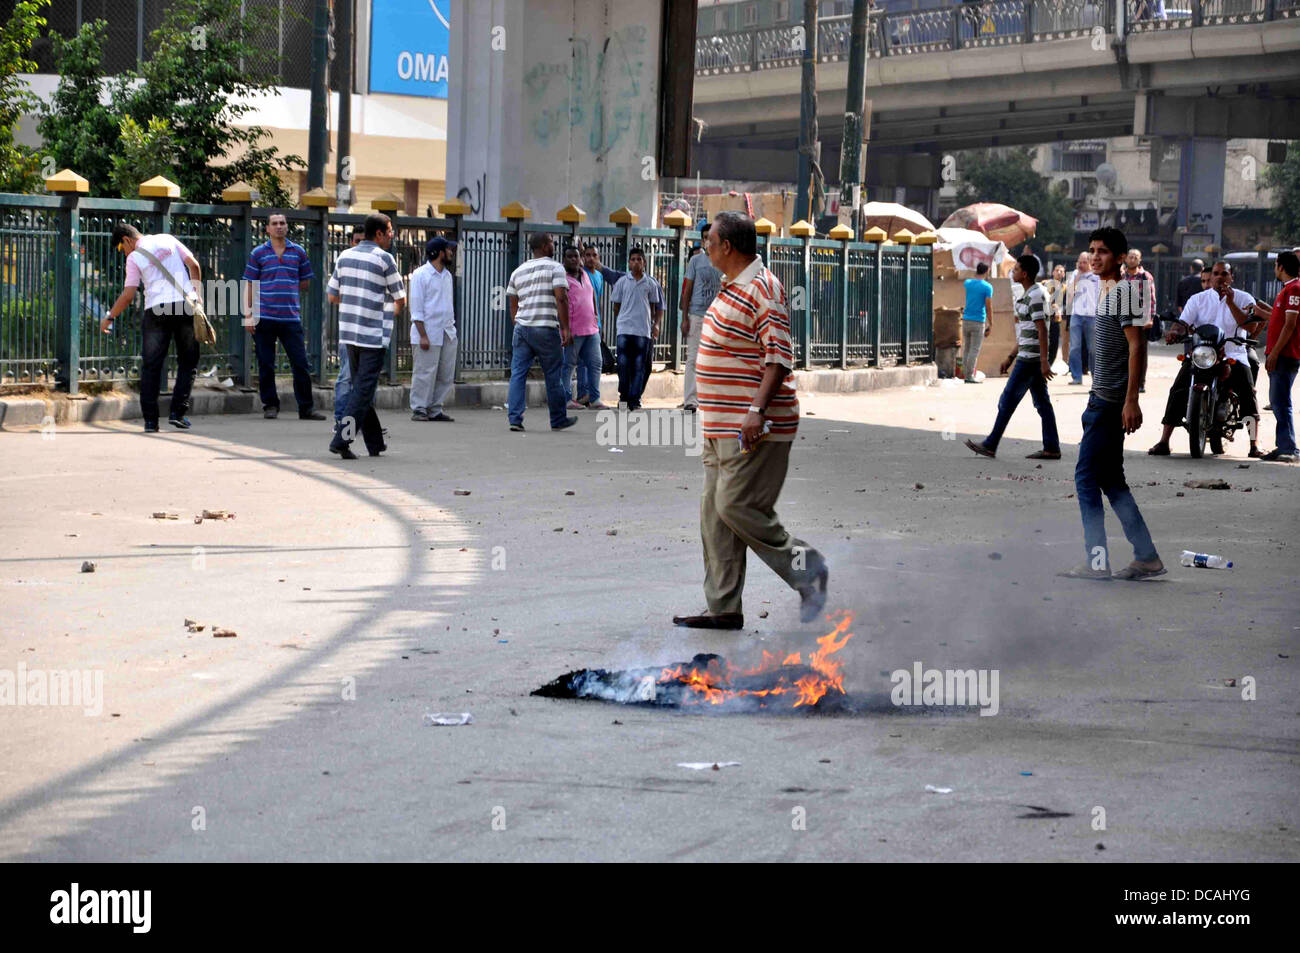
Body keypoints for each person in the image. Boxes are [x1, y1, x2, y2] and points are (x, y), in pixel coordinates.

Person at [672, 211, 828, 630]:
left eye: (710, 241)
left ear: (728, 247)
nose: (705, 247)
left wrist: (755, 412)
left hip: (754, 427)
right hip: (719, 427)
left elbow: (778, 357)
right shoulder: (730, 287)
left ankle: (807, 567)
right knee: (714, 516)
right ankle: (723, 608)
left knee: (735, 506)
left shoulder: (763, 288)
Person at [1060, 226, 1164, 581]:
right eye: (1092, 250)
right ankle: (1147, 556)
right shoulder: (1107, 291)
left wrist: (1131, 400)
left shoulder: (1126, 293)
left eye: (1103, 251)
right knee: (1111, 480)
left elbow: (1138, 346)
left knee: (1086, 478)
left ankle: (1097, 561)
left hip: (1110, 403)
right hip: (1100, 399)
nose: (1094, 255)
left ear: (1120, 257)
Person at [1147, 261, 1262, 458]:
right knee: (1178, 387)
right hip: (1202, 354)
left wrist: (1231, 302)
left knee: (1247, 390)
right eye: (1216, 274)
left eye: (1224, 274)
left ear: (1231, 277)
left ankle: (1254, 445)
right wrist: (1175, 332)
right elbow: (1184, 322)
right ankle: (1164, 441)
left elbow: (1250, 328)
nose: (1219, 277)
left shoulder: (1244, 298)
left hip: (1233, 353)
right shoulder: (1197, 299)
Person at [102, 224, 202, 433]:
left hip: (157, 310)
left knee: (152, 365)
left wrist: (110, 317)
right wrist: (196, 294)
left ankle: (150, 421)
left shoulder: (134, 258)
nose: (124, 253)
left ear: (127, 240)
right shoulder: (168, 239)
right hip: (185, 306)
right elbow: (194, 265)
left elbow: (129, 294)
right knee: (188, 360)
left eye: (121, 248)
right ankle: (177, 413)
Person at [326, 213, 406, 459]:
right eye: (390, 231)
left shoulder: (345, 256)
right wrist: (384, 314)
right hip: (373, 336)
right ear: (379, 234)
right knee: (362, 390)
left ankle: (375, 443)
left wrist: (355, 308)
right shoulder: (385, 259)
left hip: (349, 333)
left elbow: (332, 295)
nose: (392, 236)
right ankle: (342, 439)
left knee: (362, 387)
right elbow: (400, 299)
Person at [965, 255, 1060, 461]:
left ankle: (991, 444)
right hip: (1029, 356)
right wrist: (1010, 356)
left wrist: (1044, 361)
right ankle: (1052, 447)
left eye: (1015, 269)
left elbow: (1042, 330)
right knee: (1042, 403)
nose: (1012, 271)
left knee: (1007, 400)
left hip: (1031, 359)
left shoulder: (1035, 295)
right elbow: (1028, 331)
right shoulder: (1030, 294)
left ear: (1024, 273)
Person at [242, 213, 325, 421]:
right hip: (264, 317)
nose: (279, 227)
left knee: (300, 363)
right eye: (274, 224)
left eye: (282, 223)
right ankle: (270, 405)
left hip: (290, 318)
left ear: (287, 227)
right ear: (267, 229)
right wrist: (248, 314)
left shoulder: (298, 252)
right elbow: (249, 284)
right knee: (266, 363)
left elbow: (305, 282)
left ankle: (306, 408)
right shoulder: (258, 253)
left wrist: (285, 287)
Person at [506, 232, 575, 432]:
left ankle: (515, 419)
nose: (554, 245)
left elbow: (513, 302)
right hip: (545, 328)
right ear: (545, 246)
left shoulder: (519, 271)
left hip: (522, 329)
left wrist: (518, 322)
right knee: (553, 374)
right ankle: (558, 419)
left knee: (518, 374)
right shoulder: (556, 268)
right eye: (552, 242)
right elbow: (561, 298)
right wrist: (566, 328)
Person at [1251, 250, 1299, 462]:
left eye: (1275, 265)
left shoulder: (1294, 289)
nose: (1274, 269)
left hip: (1285, 355)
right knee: (1279, 401)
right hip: (1280, 354)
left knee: (1280, 402)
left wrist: (1274, 354)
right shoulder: (1287, 290)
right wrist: (1262, 314)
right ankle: (1284, 445)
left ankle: (1287, 447)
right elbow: (1280, 319)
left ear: (1280, 266)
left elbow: (1289, 326)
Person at [408, 236, 458, 422]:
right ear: (438, 253)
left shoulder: (447, 276)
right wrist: (422, 335)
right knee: (424, 373)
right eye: (448, 249)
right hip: (427, 332)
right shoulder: (421, 275)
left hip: (447, 331)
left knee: (445, 373)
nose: (451, 252)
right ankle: (419, 408)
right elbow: (417, 309)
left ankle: (435, 408)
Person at [610, 247, 665, 411]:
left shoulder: (650, 283)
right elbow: (616, 306)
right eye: (632, 259)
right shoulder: (621, 282)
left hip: (642, 331)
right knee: (623, 364)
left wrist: (655, 325)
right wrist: (623, 320)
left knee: (639, 366)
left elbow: (654, 307)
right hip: (625, 329)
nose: (635, 262)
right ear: (628, 262)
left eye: (639, 259)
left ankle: (635, 399)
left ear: (644, 263)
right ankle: (624, 398)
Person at [679, 223, 723, 414]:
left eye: (711, 237)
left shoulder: (723, 261)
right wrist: (685, 317)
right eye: (705, 237)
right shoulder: (696, 261)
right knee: (693, 359)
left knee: (716, 359)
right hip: (696, 315)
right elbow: (687, 288)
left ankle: (712, 400)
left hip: (717, 317)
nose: (707, 241)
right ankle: (690, 400)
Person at [561, 245, 607, 410]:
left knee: (596, 363)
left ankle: (594, 399)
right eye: (570, 257)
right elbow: (560, 304)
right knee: (569, 365)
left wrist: (596, 317)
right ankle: (566, 399)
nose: (574, 259)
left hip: (591, 329)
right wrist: (565, 329)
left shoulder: (586, 275)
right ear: (564, 260)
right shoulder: (562, 279)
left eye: (576, 256)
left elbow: (593, 295)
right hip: (574, 331)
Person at [333, 223, 365, 426]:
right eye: (356, 241)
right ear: (351, 242)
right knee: (346, 375)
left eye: (364, 241)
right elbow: (334, 293)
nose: (360, 245)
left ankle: (360, 421)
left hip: (371, 330)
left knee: (366, 379)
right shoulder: (345, 260)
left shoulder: (378, 260)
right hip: (350, 328)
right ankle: (341, 420)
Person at [1122, 249, 1156, 390]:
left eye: (1135, 257)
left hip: (1140, 317)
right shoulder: (1121, 276)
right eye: (1130, 257)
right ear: (1126, 259)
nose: (1132, 259)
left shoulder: (1145, 276)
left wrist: (1150, 318)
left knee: (1140, 351)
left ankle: (1139, 383)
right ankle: (1124, 382)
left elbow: (1151, 299)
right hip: (1123, 316)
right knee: (1123, 351)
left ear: (1140, 260)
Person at [961, 262, 994, 383]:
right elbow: (988, 306)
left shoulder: (968, 283)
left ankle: (966, 374)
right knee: (974, 349)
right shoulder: (987, 287)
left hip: (966, 319)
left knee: (967, 348)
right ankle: (969, 376)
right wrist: (991, 323)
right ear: (986, 271)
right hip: (978, 321)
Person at [1042, 263, 1067, 365]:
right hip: (1044, 318)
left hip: (1056, 320)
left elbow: (1066, 304)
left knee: (1054, 344)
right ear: (1053, 272)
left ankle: (1049, 365)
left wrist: (1060, 310)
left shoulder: (1065, 288)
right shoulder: (1044, 284)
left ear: (1064, 274)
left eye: (1061, 271)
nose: (1059, 272)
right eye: (1057, 270)